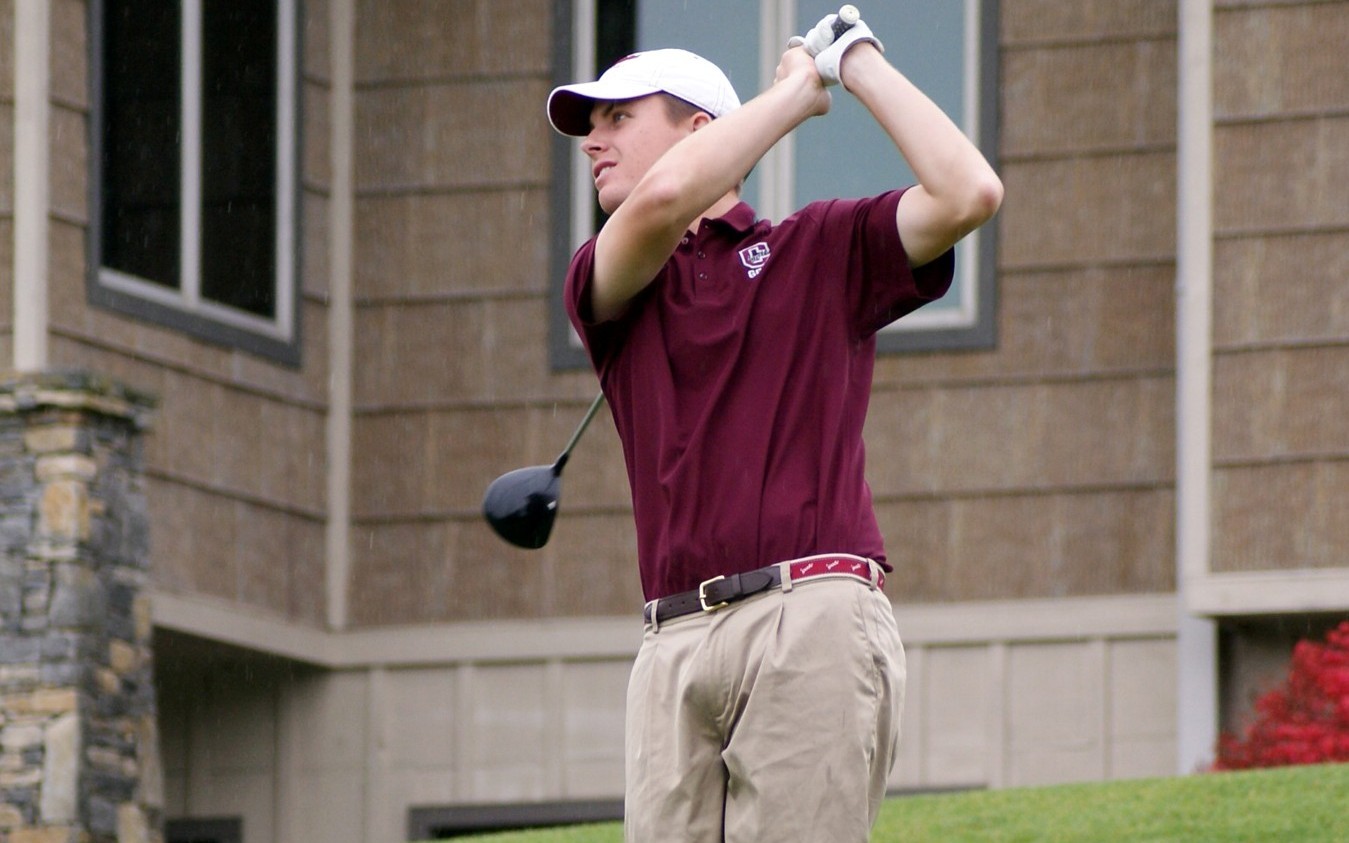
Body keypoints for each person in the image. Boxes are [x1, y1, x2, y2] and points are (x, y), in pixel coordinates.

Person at [548, 11, 1002, 843]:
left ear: (700, 129)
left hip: (812, 614)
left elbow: (968, 190)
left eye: (619, 117)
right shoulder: (604, 278)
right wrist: (796, 94)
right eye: (590, 124)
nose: (592, 140)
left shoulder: (818, 248)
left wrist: (854, 65)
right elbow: (660, 201)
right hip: (669, 639)